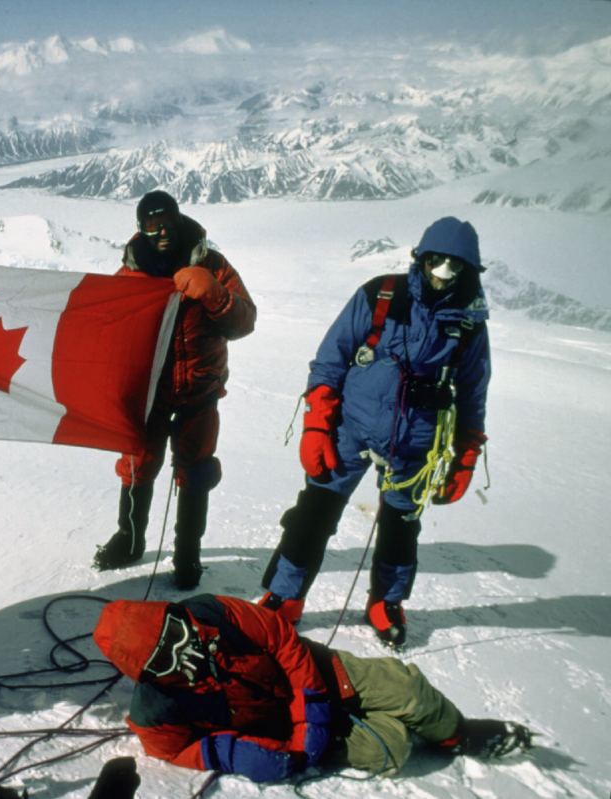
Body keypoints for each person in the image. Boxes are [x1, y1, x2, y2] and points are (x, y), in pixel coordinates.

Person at [257, 217, 491, 647]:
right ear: (419, 259)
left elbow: (473, 391)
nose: (442, 274)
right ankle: (285, 595)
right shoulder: (381, 294)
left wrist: (466, 454)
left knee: (401, 526)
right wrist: (316, 426)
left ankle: (386, 602)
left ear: (469, 271)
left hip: (418, 442)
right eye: (435, 261)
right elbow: (331, 360)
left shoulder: (470, 322)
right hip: (352, 428)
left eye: (454, 267)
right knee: (314, 512)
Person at [93, 594, 532, 782]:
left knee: (409, 691)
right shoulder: (155, 708)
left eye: (176, 632)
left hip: (318, 676)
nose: (185, 650)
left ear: (175, 614)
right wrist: (232, 753)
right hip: (280, 726)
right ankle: (398, 733)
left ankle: (460, 734)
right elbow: (169, 750)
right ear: (149, 675)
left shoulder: (216, 613)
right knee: (392, 750)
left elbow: (283, 641)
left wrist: (315, 711)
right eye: (167, 658)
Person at [93, 190, 256, 590]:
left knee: (195, 472)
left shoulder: (213, 265)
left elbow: (244, 321)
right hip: (146, 395)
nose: (161, 231)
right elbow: (106, 335)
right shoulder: (128, 277)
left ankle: (187, 555)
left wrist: (215, 294)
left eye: (166, 220)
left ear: (179, 217)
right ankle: (129, 540)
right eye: (151, 224)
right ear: (140, 228)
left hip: (198, 392)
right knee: (136, 467)